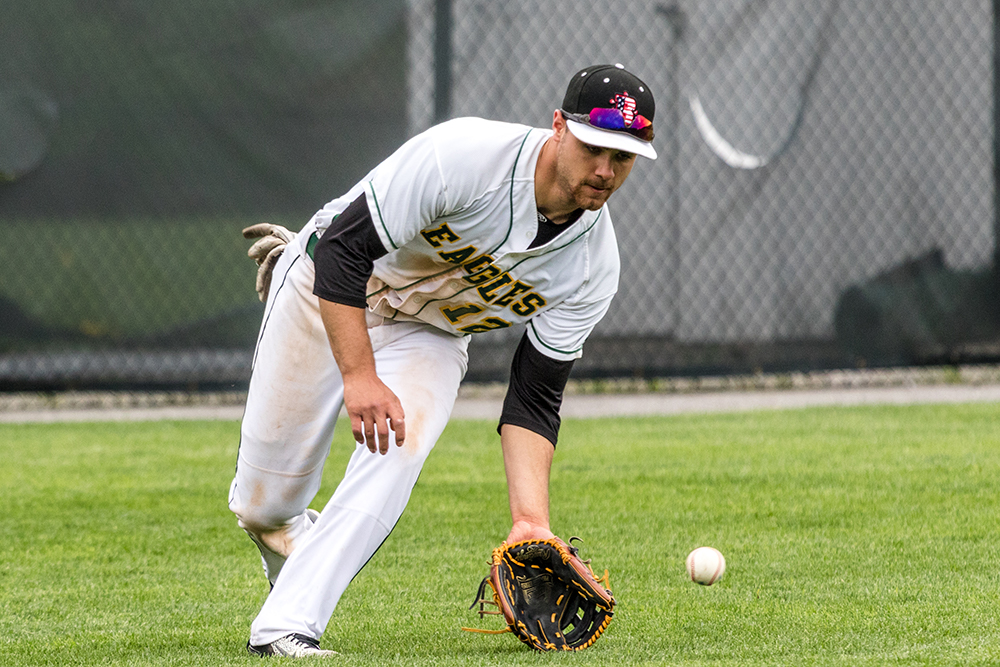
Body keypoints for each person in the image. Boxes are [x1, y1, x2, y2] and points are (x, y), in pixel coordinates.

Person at [229, 63, 657, 658]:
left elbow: (535, 397)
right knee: (263, 508)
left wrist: (530, 520)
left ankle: (285, 629)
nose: (606, 170)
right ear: (558, 126)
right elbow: (345, 251)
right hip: (330, 280)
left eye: (625, 156)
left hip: (429, 332)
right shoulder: (464, 157)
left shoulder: (593, 269)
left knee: (396, 448)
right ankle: (290, 537)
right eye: (594, 147)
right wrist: (359, 375)